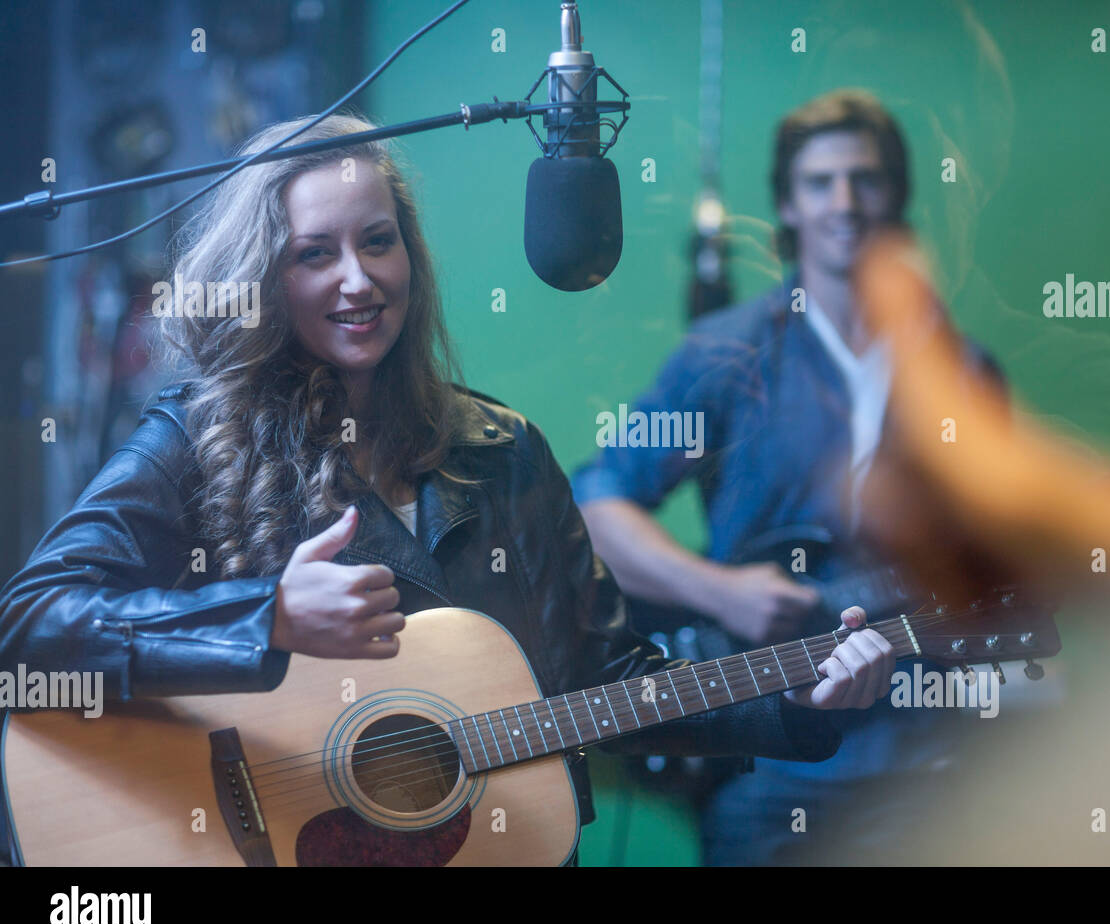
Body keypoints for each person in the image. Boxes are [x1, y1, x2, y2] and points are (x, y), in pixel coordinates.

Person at [0, 112, 897, 868]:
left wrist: (796, 702)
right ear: (266, 278)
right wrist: (264, 618)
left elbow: (611, 682)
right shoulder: (191, 442)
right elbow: (27, 629)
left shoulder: (504, 452)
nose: (360, 279)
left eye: (378, 240)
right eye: (316, 252)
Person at [573, 90, 1002, 865]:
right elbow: (598, 504)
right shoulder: (723, 356)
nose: (844, 202)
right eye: (820, 182)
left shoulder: (961, 372)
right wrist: (718, 590)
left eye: (865, 179)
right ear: (787, 204)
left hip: (922, 752)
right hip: (763, 754)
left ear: (896, 195)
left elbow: (988, 564)